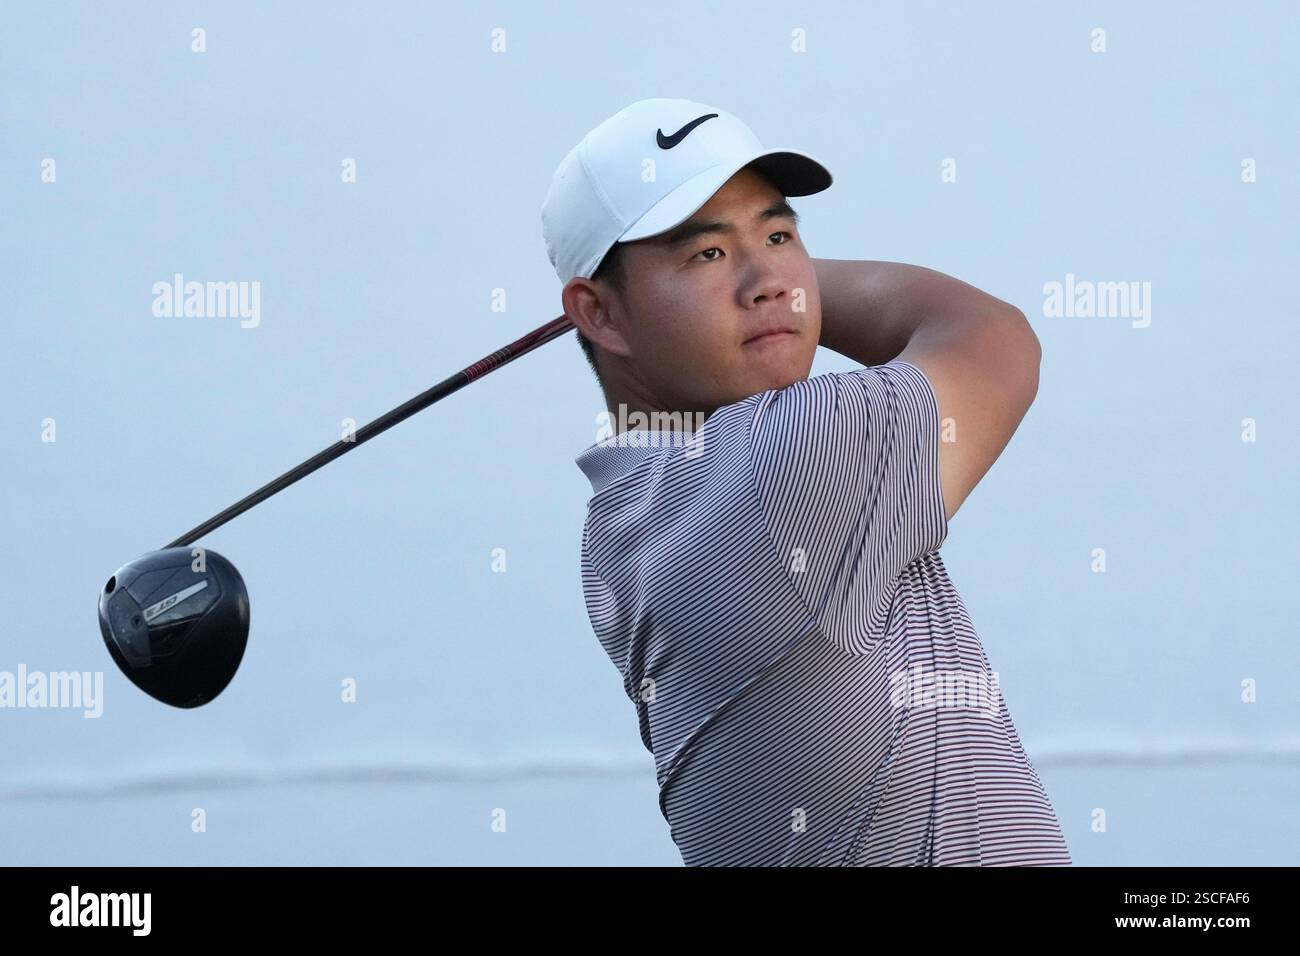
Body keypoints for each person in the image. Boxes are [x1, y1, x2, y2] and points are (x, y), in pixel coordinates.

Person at [541, 97, 1071, 865]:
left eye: (780, 233)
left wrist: (730, 278)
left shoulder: (624, 526)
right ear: (599, 315)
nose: (770, 280)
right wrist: (794, 282)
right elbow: (992, 336)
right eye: (706, 254)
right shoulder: (787, 457)